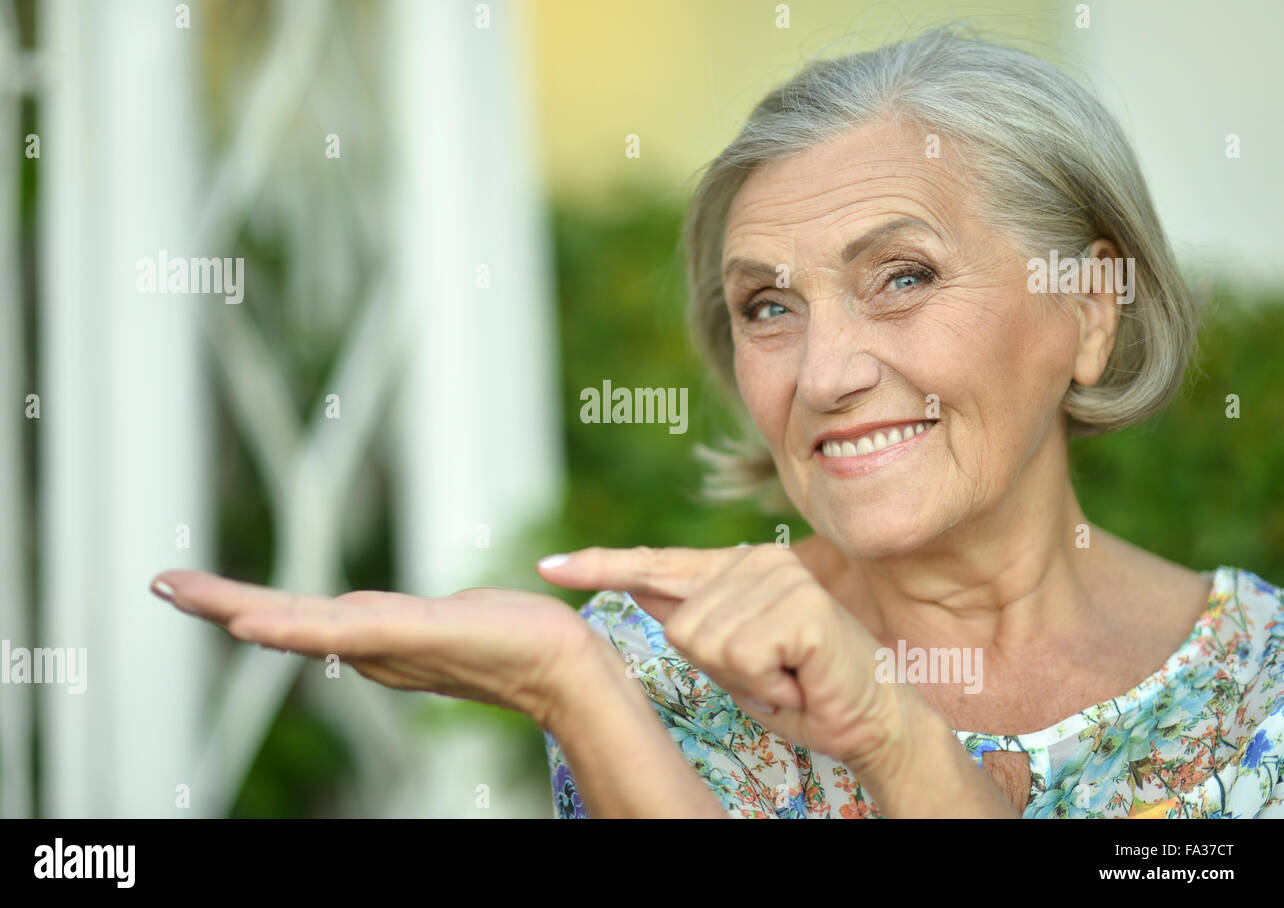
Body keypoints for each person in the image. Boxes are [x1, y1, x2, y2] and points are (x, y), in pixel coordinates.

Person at [150, 27, 1284, 819]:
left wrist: (893, 735)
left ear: (1088, 308)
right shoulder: (662, 676)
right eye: (768, 307)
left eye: (902, 276)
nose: (825, 374)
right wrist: (567, 681)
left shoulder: (1261, 684)